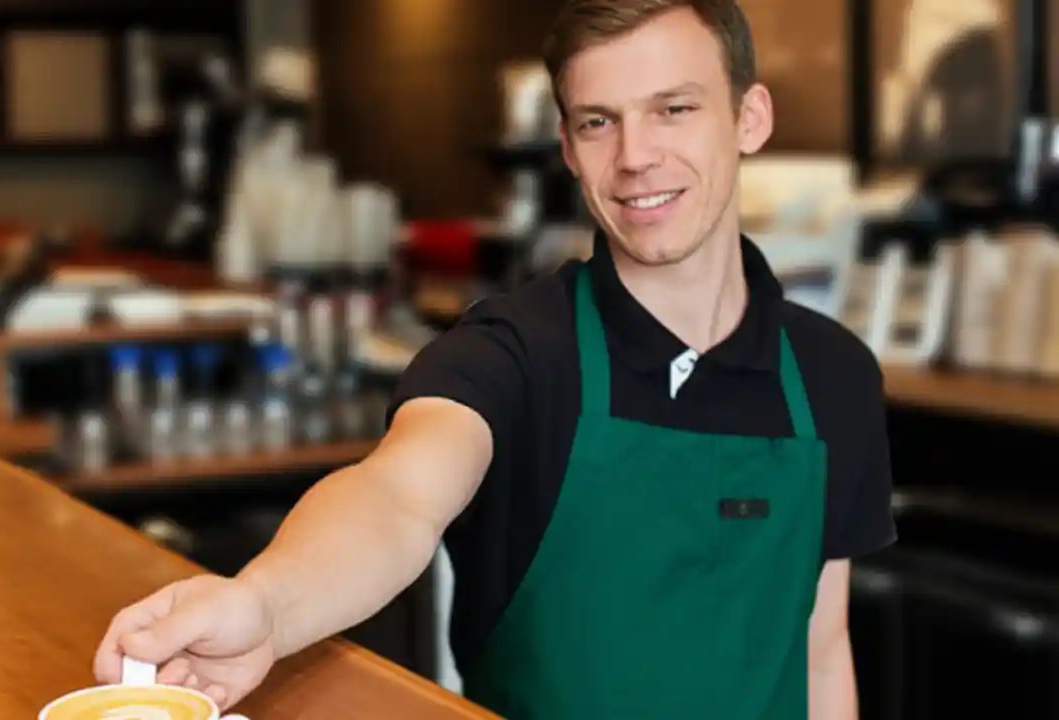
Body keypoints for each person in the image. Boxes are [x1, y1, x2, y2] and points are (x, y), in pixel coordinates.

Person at [94, 1, 897, 717]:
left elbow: (820, 647)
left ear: (749, 117)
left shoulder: (834, 376)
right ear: (568, 149)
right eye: (598, 121)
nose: (635, 156)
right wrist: (264, 605)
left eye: (674, 110)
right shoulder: (514, 353)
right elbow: (395, 498)